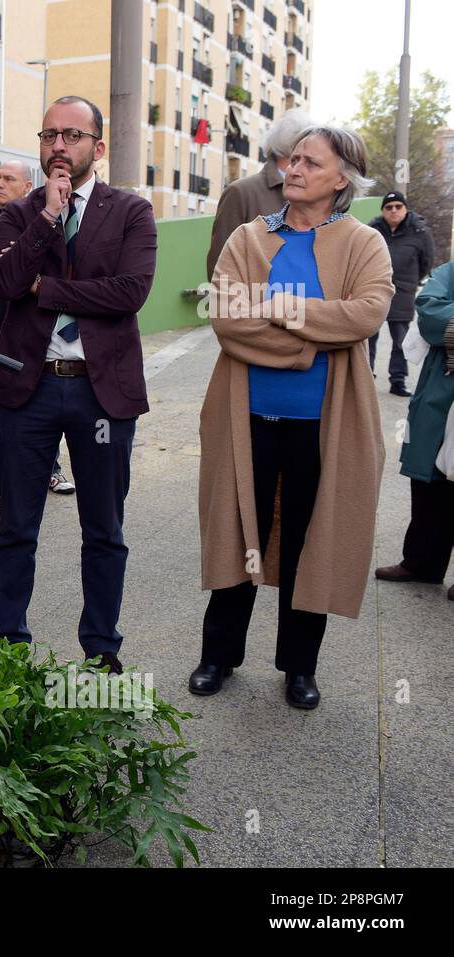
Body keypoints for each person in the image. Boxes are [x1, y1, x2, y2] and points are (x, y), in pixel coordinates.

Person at [193, 126, 393, 709]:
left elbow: (365, 313)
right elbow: (229, 321)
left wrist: (280, 306)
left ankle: (299, 667)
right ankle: (218, 656)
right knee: (237, 536)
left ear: (342, 179)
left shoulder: (364, 244)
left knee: (311, 543)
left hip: (324, 426)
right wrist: (312, 340)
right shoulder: (248, 239)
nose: (294, 169)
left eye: (310, 162)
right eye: (292, 159)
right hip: (245, 417)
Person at [0, 96, 157, 675]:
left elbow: (129, 293)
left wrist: (50, 291)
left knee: (104, 529)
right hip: (26, 392)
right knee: (15, 528)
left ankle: (101, 650)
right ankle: (9, 648)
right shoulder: (18, 213)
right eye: (50, 134)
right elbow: (7, 282)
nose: (59, 145)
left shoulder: (132, 212)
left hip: (99, 392)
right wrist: (48, 219)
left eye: (73, 136)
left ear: (97, 148)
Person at [0, 161, 74, 497]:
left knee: (39, 399)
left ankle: (52, 468)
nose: (0, 184)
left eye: (8, 179)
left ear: (28, 185)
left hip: (29, 332)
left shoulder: (44, 226)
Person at [375, 258, 454, 601]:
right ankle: (421, 562)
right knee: (428, 478)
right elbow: (429, 309)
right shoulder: (451, 271)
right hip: (441, 388)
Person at [206, 109, 315, 280]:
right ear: (293, 149)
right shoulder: (241, 193)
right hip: (254, 303)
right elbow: (220, 267)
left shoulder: (317, 193)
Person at [368, 191, 435, 396]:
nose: (394, 210)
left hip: (403, 292)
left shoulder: (419, 231)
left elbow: (427, 262)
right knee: (368, 335)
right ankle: (366, 377)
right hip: (374, 291)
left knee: (400, 341)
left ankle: (397, 380)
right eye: (389, 207)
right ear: (383, 211)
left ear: (406, 208)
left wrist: (410, 282)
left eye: (398, 206)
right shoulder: (373, 230)